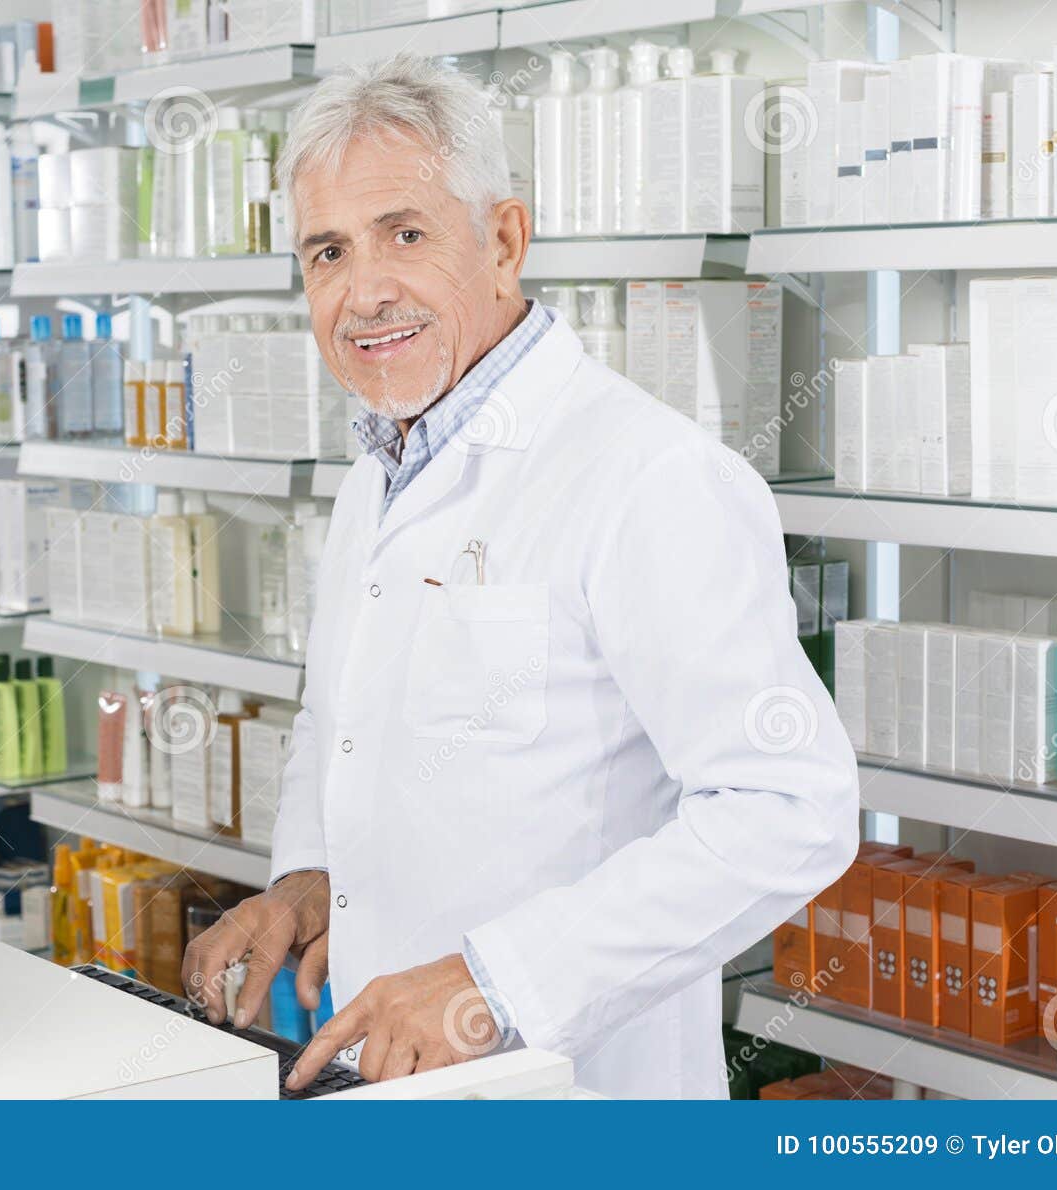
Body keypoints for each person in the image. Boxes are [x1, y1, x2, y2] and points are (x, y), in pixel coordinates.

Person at [181, 52, 859, 1098]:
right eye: (327, 251)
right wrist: (309, 875)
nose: (364, 291)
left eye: (403, 233)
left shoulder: (648, 476)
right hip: (387, 1081)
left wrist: (492, 983)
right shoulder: (379, 468)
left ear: (502, 241)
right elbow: (346, 719)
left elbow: (788, 807)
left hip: (577, 1090)